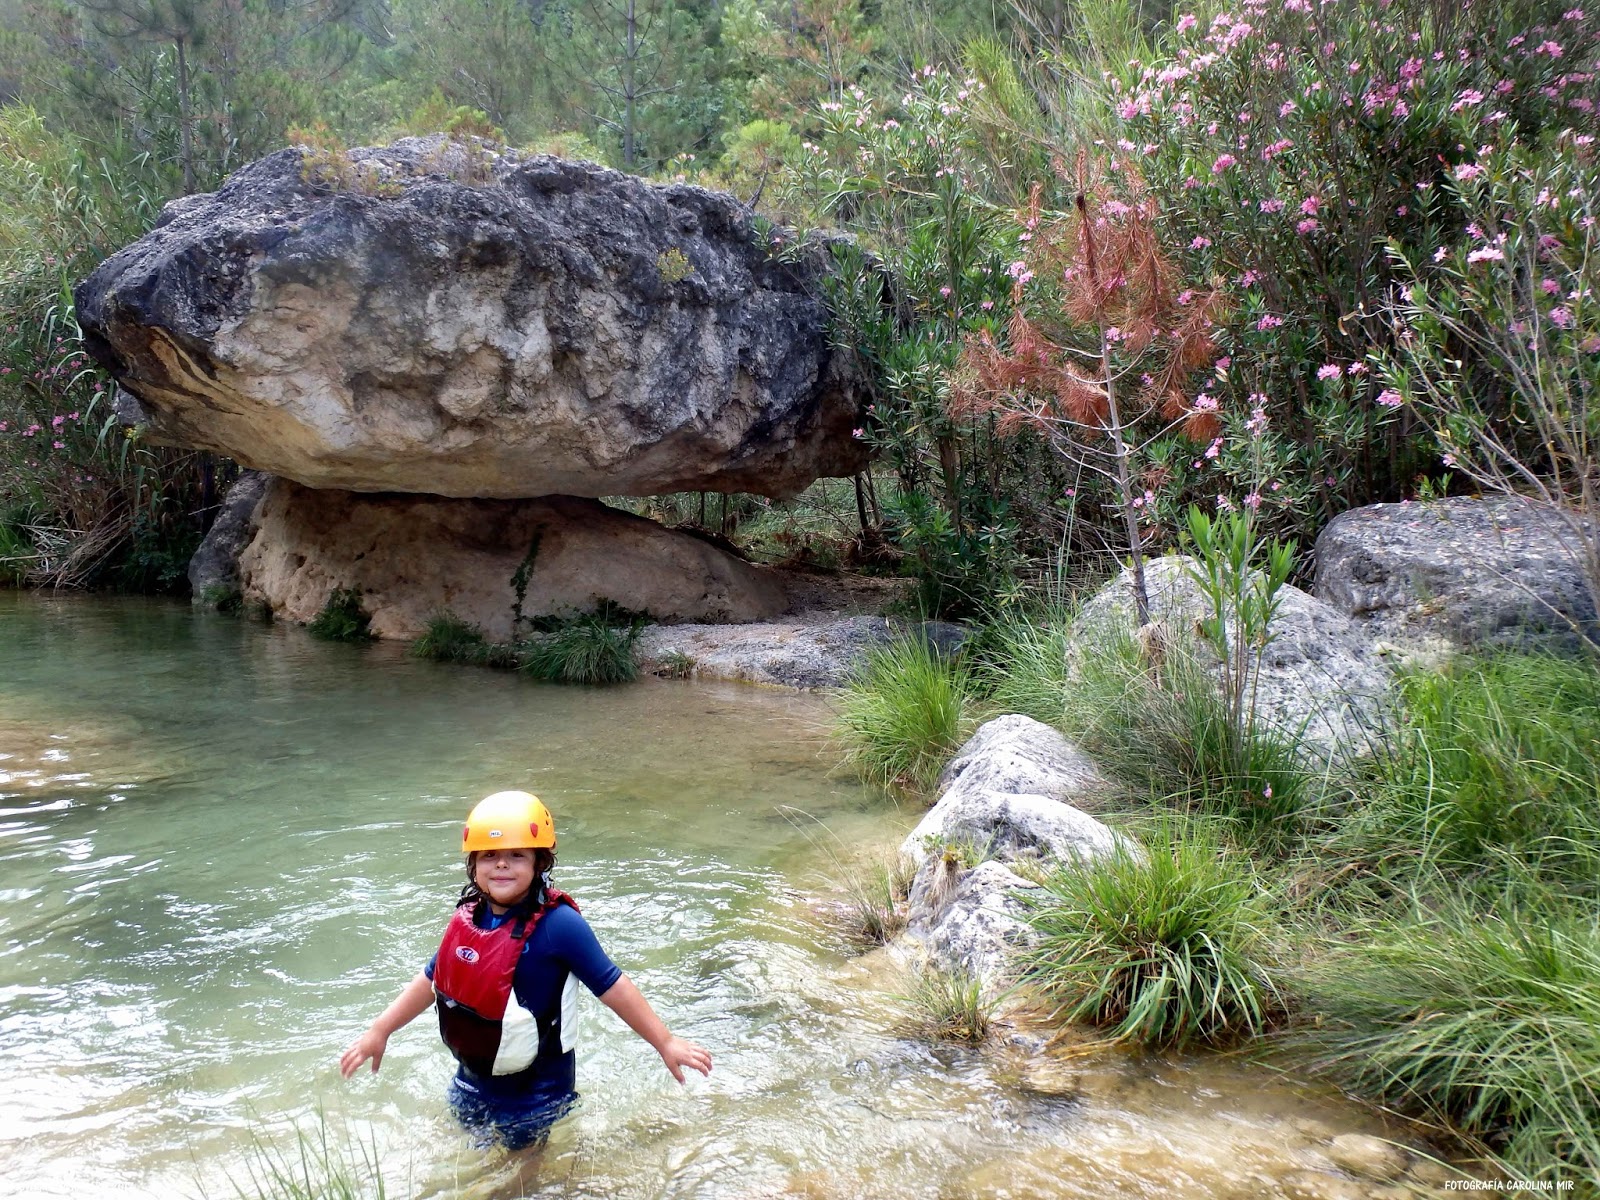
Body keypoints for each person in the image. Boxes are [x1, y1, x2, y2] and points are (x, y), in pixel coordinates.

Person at [339, 790, 712, 1149]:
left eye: (517, 855)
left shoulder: (560, 926)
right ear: (472, 864)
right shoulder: (469, 920)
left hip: (540, 1085)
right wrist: (380, 1030)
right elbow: (431, 980)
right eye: (488, 855)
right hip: (473, 1078)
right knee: (461, 1144)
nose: (501, 864)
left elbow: (612, 986)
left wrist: (665, 1042)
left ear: (540, 863)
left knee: (521, 1168)